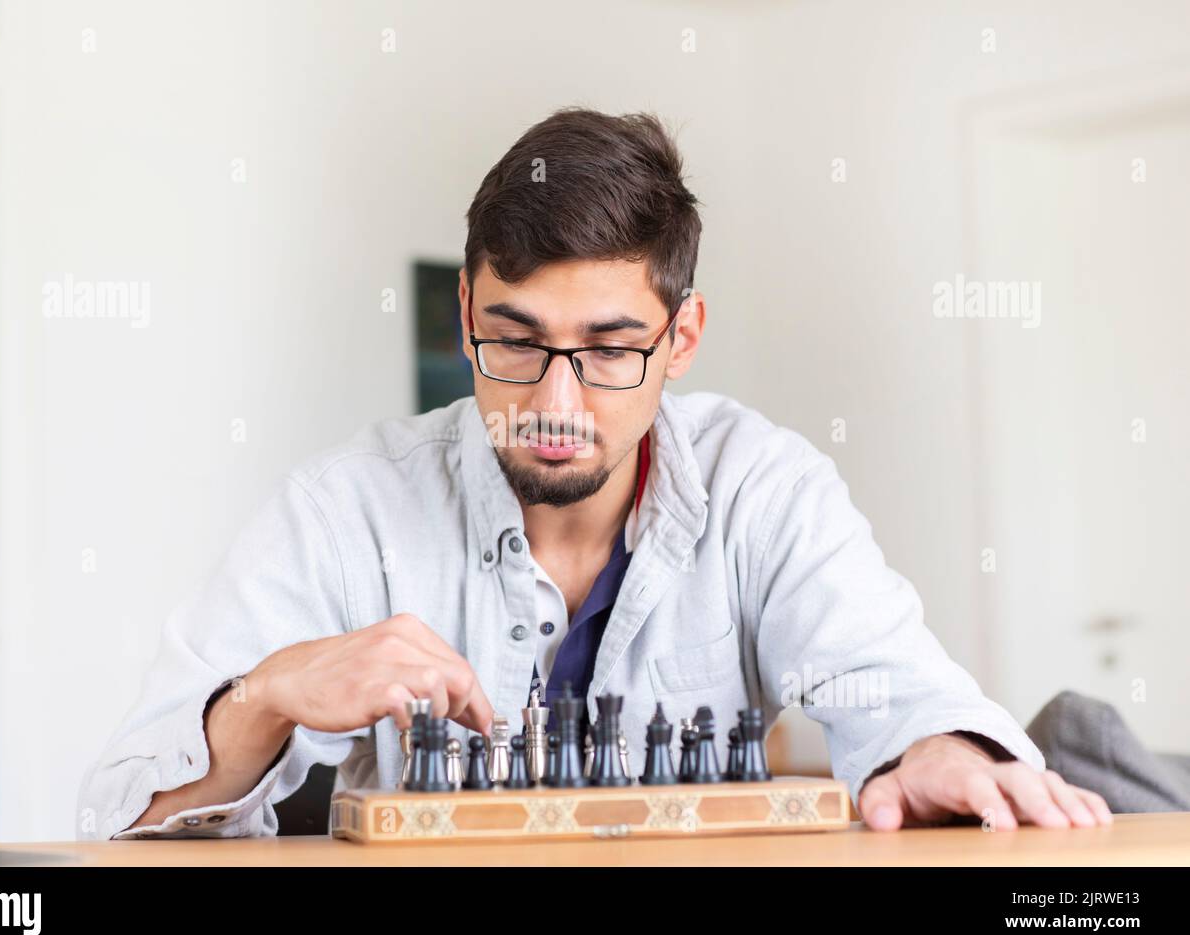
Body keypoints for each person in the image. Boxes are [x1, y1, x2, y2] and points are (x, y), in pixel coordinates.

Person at [78, 107, 1112, 839]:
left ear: (682, 335)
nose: (555, 404)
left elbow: (894, 686)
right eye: (514, 342)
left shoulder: (764, 486)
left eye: (611, 349)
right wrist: (264, 696)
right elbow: (117, 820)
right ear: (465, 319)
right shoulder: (345, 509)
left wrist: (936, 749)